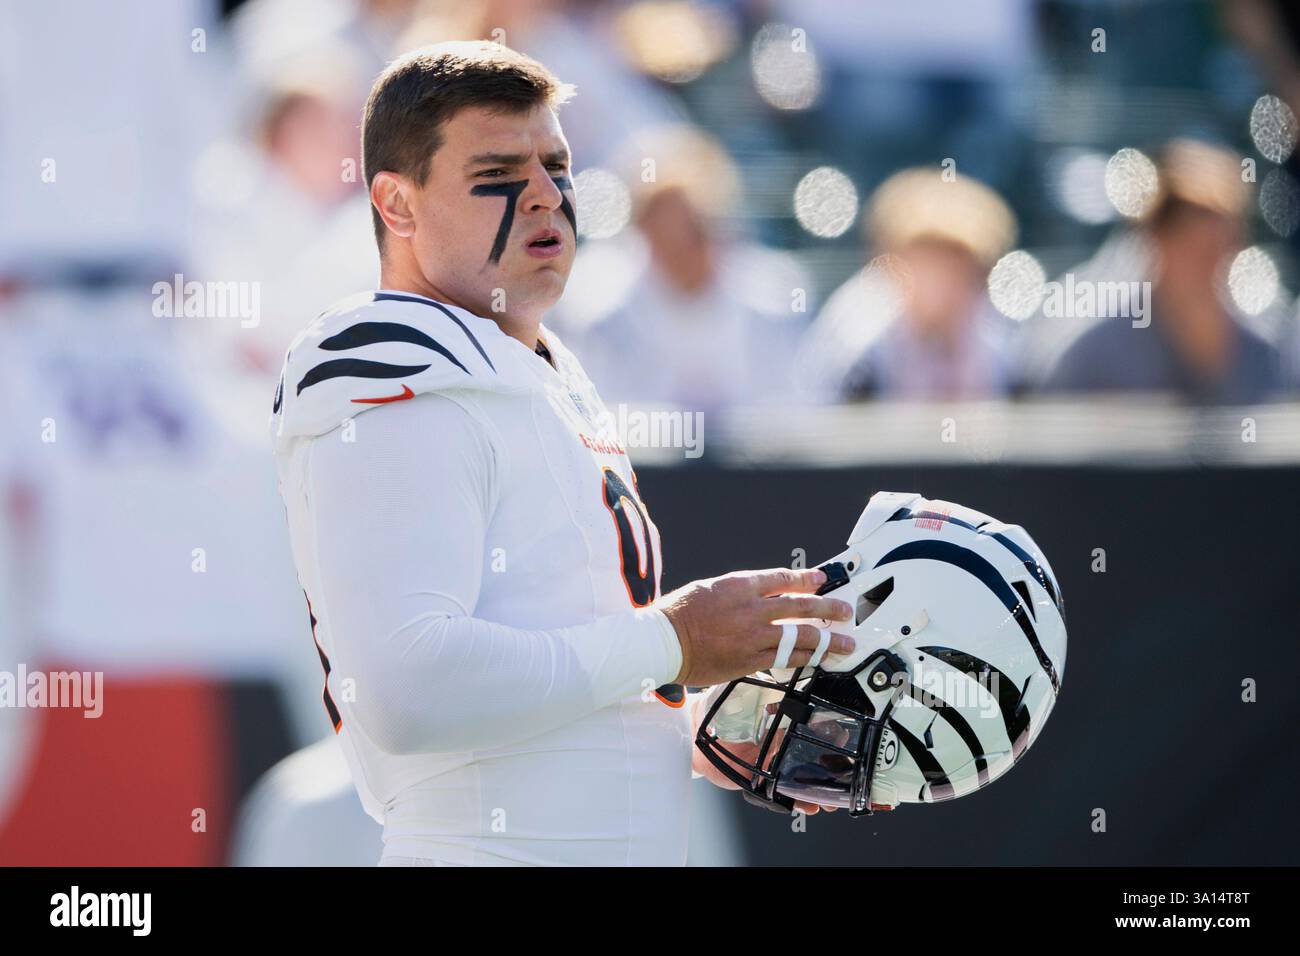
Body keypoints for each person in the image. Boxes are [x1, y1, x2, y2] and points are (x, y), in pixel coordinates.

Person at [270, 41, 856, 866]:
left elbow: (553, 678)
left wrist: (710, 732)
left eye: (557, 164)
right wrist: (671, 643)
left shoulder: (542, 368)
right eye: (499, 172)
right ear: (396, 205)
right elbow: (408, 688)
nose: (546, 194)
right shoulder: (396, 357)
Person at [1041, 139, 1285, 404]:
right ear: (1155, 239)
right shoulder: (1095, 354)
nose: (1210, 265)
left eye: (1223, 247)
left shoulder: (1266, 350)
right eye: (1194, 247)